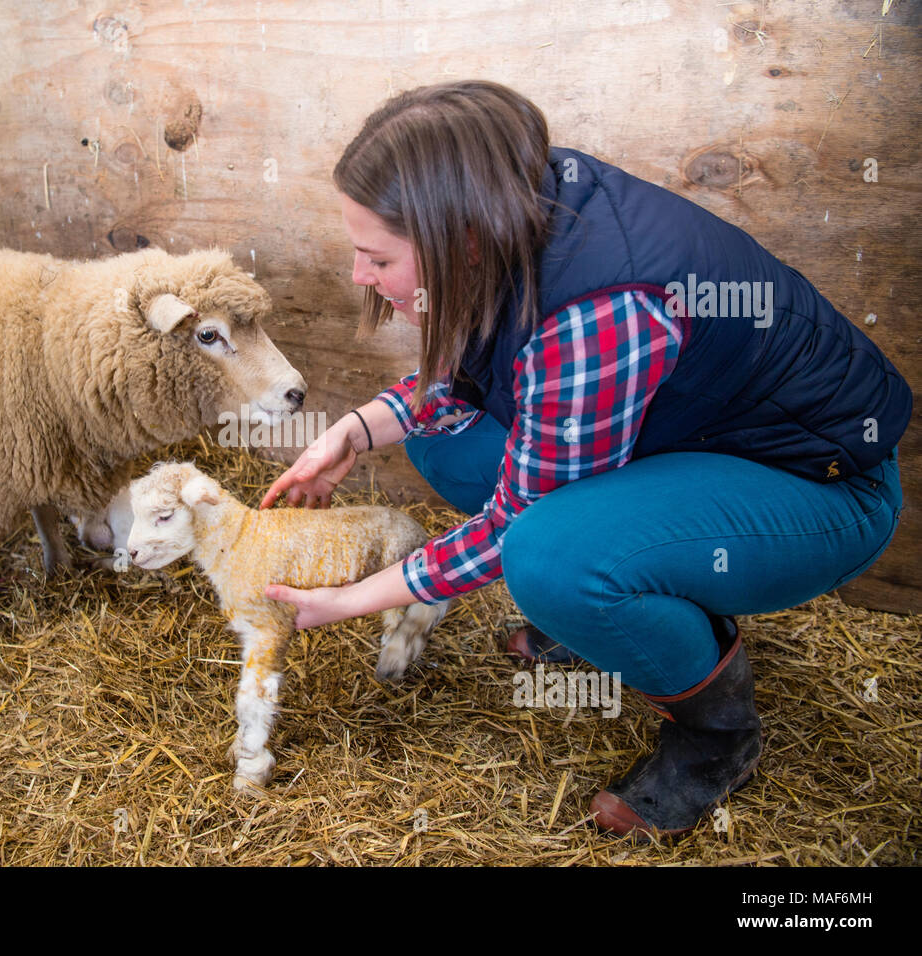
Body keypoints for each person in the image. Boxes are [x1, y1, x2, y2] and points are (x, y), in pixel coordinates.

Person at [259, 80, 911, 840]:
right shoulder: (513, 206)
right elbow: (480, 371)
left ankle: (716, 737)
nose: (357, 276)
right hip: (694, 446)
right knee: (446, 438)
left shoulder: (599, 305)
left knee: (548, 556)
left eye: (375, 257)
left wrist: (354, 598)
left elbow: (516, 520)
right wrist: (354, 432)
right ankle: (621, 602)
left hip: (819, 491)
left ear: (458, 239)